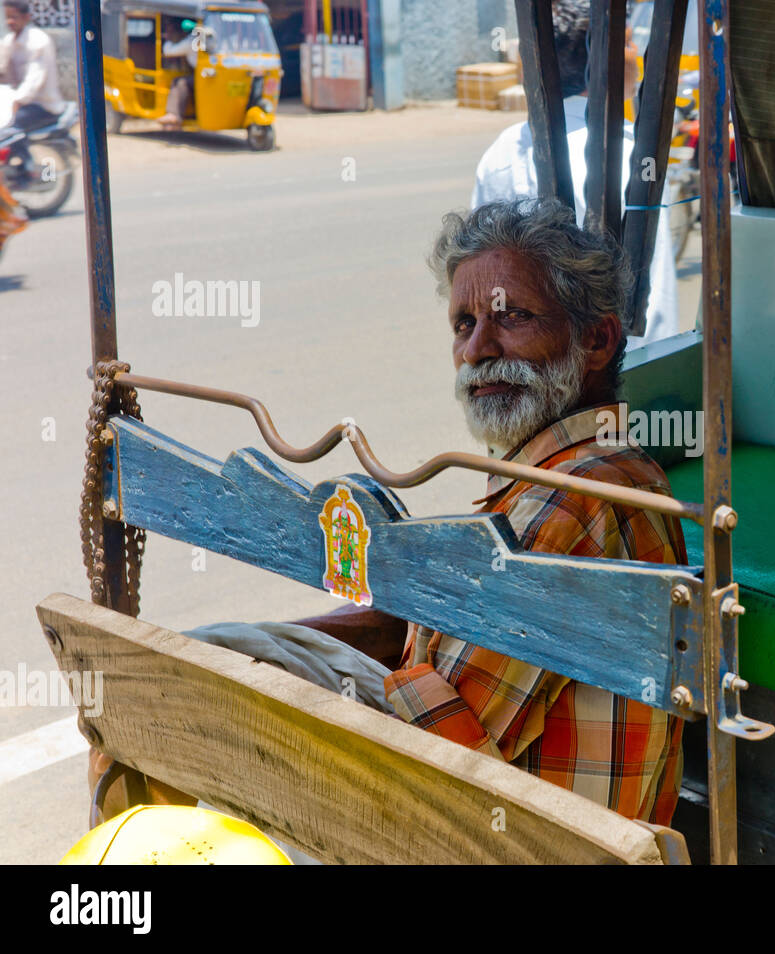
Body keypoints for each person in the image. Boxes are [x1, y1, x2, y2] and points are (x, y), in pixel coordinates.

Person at [89, 197, 688, 829]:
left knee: (197, 669)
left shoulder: (571, 497)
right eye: (463, 325)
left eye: (510, 318)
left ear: (595, 341)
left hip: (498, 828)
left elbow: (446, 746)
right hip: (513, 816)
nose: (478, 350)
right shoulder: (590, 473)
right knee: (233, 660)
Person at [472, 0, 679, 348]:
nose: (634, 55)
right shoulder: (630, 153)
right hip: (615, 366)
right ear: (600, 54)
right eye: (627, 43)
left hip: (522, 362)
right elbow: (652, 298)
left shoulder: (502, 151)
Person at [0, 0, 63, 176]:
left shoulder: (38, 41)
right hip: (21, 102)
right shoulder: (9, 41)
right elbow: (3, 71)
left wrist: (17, 101)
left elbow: (34, 79)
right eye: (7, 17)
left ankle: (28, 169)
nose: (10, 22)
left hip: (42, 104)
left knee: (7, 127)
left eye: (14, 17)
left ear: (26, 17)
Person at [159, 18, 198, 130]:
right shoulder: (201, 38)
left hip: (201, 76)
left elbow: (169, 51)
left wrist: (168, 40)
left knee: (180, 82)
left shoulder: (190, 42)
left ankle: (173, 114)